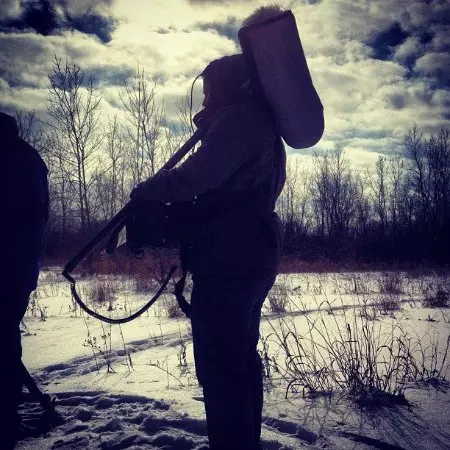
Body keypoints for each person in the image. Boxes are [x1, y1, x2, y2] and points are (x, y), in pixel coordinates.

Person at [133, 53, 286, 449]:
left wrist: (150, 188)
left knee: (222, 369)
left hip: (230, 261)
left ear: (229, 87)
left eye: (209, 92)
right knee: (238, 363)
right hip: (250, 254)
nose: (204, 102)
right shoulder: (262, 124)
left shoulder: (239, 120)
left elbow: (196, 176)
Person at [0, 112, 49, 449]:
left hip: (10, 267)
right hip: (19, 268)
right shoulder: (28, 161)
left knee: (3, 344)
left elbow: (20, 220)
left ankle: (5, 423)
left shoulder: (14, 163)